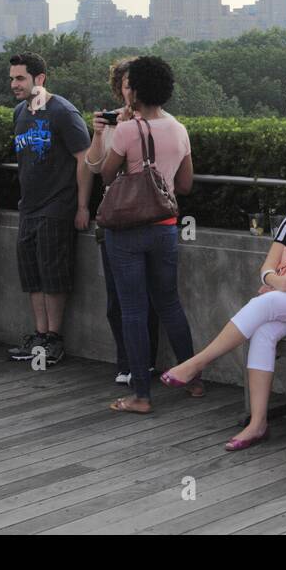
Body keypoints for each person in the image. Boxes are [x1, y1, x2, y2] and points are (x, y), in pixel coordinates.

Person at [162, 160, 286, 450]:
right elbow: (267, 269)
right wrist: (278, 281)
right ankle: (258, 423)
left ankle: (197, 362)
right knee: (264, 332)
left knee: (266, 303)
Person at [91, 55, 197, 413]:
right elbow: (184, 184)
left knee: (134, 309)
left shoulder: (126, 130)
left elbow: (105, 176)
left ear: (134, 90)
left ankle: (141, 394)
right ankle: (191, 378)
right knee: (169, 302)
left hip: (127, 231)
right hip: (165, 228)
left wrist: (120, 131)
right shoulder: (179, 129)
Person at [8, 52, 92, 367]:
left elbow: (84, 158)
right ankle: (39, 335)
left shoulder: (63, 112)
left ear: (39, 79)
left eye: (20, 78)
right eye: (13, 78)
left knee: (54, 274)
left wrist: (82, 205)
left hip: (57, 205)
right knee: (31, 274)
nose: (14, 84)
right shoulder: (20, 112)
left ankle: (54, 337)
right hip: (28, 206)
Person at [84, 56, 160, 384]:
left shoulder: (160, 121)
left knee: (151, 296)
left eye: (134, 84)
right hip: (114, 218)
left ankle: (147, 362)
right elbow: (96, 167)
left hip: (152, 218)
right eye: (125, 85)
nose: (129, 91)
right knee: (116, 298)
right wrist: (99, 133)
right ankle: (125, 362)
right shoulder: (115, 123)